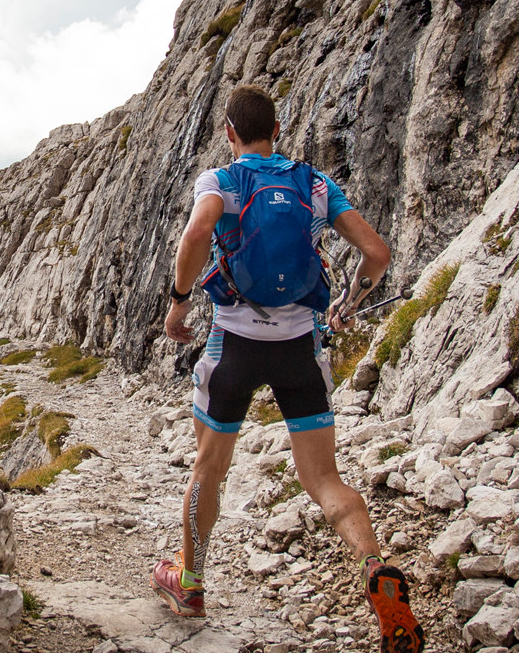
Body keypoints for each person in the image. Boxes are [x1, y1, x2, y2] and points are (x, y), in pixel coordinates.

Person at [154, 84, 422, 653]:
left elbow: (199, 232)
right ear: (277, 129)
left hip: (234, 344)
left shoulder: (221, 181)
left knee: (208, 469)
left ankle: (191, 581)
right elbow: (376, 253)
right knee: (323, 478)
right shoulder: (313, 184)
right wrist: (348, 303)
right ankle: (375, 567)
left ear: (230, 133)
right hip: (302, 346)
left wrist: (179, 302)